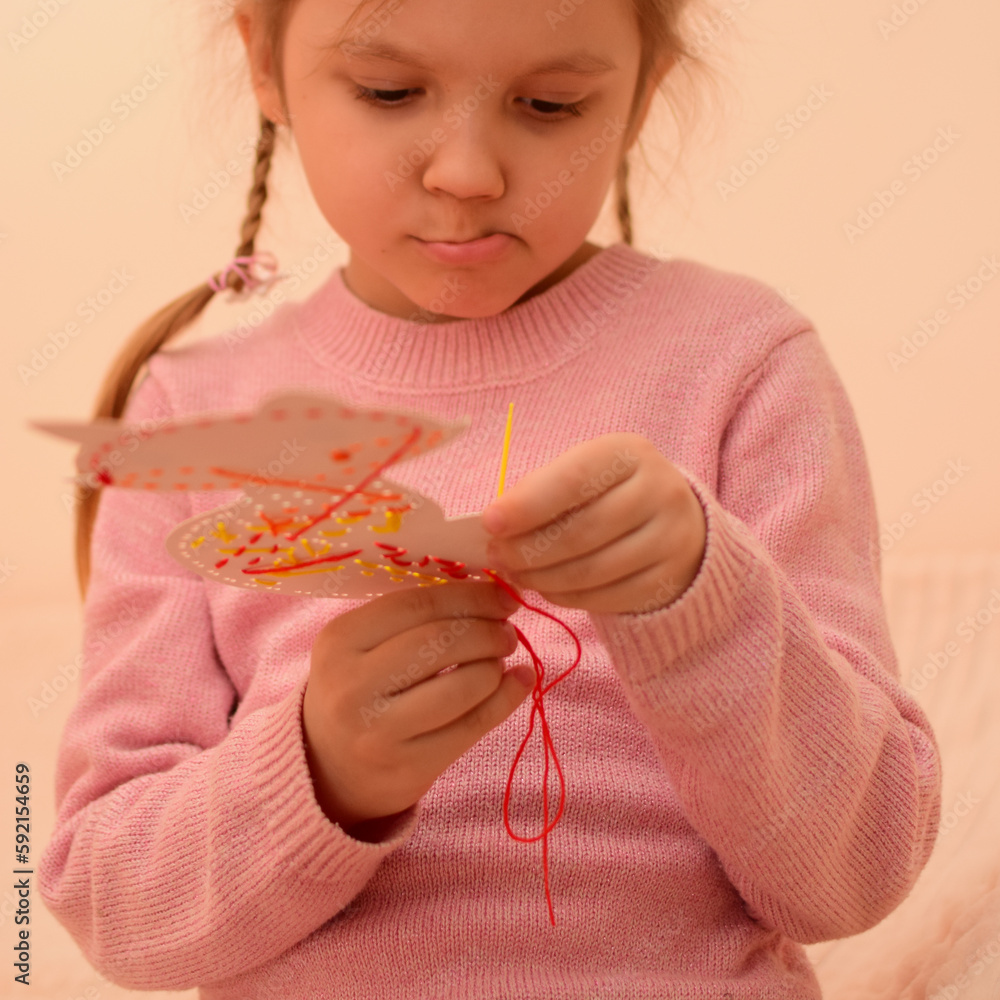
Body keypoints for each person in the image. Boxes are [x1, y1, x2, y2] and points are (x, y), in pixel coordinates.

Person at [39, 0, 943, 995]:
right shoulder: (188, 420)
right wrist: (319, 769)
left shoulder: (741, 365)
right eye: (389, 92)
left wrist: (702, 601)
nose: (467, 172)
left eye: (549, 104)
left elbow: (855, 872)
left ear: (642, 91)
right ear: (263, 58)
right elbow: (113, 908)